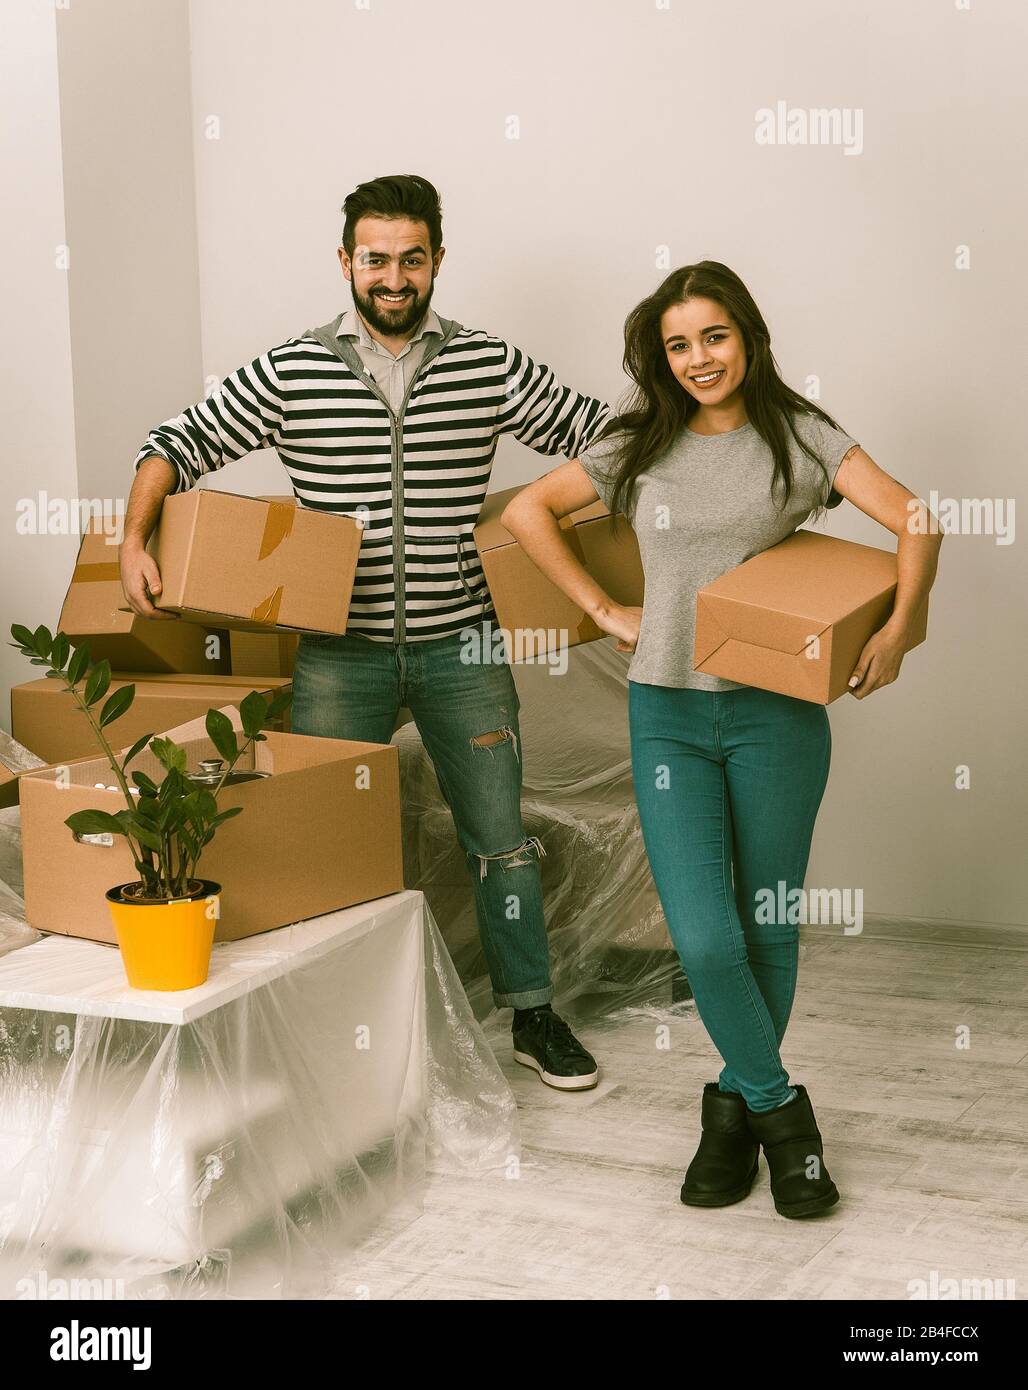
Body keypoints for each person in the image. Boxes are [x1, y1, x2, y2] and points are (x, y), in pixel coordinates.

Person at [119, 173, 612, 1092]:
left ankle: (534, 1016)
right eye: (375, 258)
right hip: (338, 657)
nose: (393, 276)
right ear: (345, 260)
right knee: (326, 843)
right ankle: (334, 1021)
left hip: (462, 645)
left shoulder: (488, 363)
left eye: (411, 259)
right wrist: (134, 534)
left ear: (436, 263)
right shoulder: (289, 369)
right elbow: (173, 441)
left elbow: (601, 434)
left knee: (501, 837)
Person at [500, 260, 943, 1216]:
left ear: (747, 336)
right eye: (678, 344)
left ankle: (729, 1110)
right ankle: (783, 1115)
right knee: (703, 938)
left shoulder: (803, 435)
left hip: (778, 717)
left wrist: (901, 628)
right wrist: (600, 606)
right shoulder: (639, 442)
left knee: (764, 926)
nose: (699, 358)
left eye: (714, 336)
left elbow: (915, 518)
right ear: (660, 359)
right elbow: (524, 509)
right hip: (667, 713)